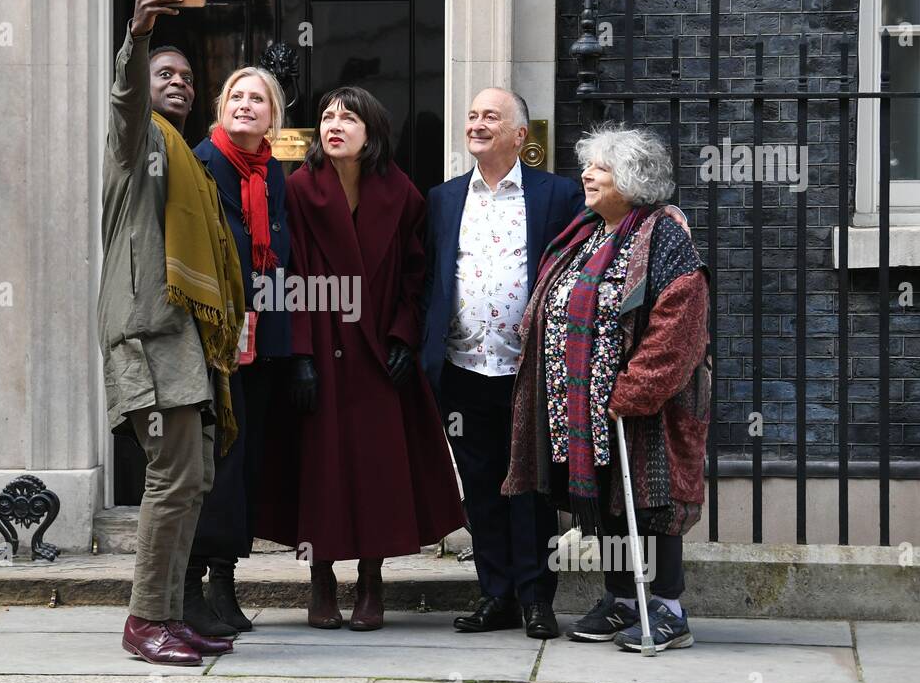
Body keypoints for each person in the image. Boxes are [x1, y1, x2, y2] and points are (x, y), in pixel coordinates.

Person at [258, 86, 465, 631]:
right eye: (327, 116)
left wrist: (402, 339)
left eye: (348, 118)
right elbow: (287, 277)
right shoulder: (297, 191)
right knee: (320, 469)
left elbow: (417, 277)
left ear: (370, 131)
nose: (335, 124)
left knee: (378, 471)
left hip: (378, 356)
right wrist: (298, 354)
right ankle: (321, 579)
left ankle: (371, 582)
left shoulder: (403, 196)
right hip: (320, 352)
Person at [502, 124, 711, 652]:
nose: (587, 175)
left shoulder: (664, 237)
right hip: (581, 405)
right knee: (608, 497)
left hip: (641, 406)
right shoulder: (587, 231)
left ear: (634, 180)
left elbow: (678, 328)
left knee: (650, 500)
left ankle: (667, 609)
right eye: (589, 165)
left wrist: (631, 391)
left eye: (601, 168)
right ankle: (620, 598)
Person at [98, 0, 246, 665]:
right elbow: (125, 98)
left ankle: (173, 614)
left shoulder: (185, 154)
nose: (178, 82)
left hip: (183, 339)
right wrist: (138, 36)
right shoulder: (137, 143)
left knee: (193, 478)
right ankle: (144, 623)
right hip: (148, 336)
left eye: (187, 76)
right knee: (170, 476)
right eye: (166, 73)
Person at [422, 88, 584, 639]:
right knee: (481, 486)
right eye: (471, 115)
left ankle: (537, 598)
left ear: (520, 134)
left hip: (528, 372)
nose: (477, 123)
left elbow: (580, 270)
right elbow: (432, 279)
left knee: (532, 488)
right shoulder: (443, 199)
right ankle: (497, 595)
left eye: (491, 116)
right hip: (463, 369)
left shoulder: (556, 195)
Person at [184, 67, 292, 635]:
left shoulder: (273, 174)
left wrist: (287, 347)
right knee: (210, 471)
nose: (246, 105)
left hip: (259, 347)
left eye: (259, 99)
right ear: (221, 106)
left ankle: (224, 585)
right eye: (237, 96)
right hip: (210, 344)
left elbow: (283, 265)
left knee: (243, 469)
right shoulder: (199, 163)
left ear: (274, 116)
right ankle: (190, 588)